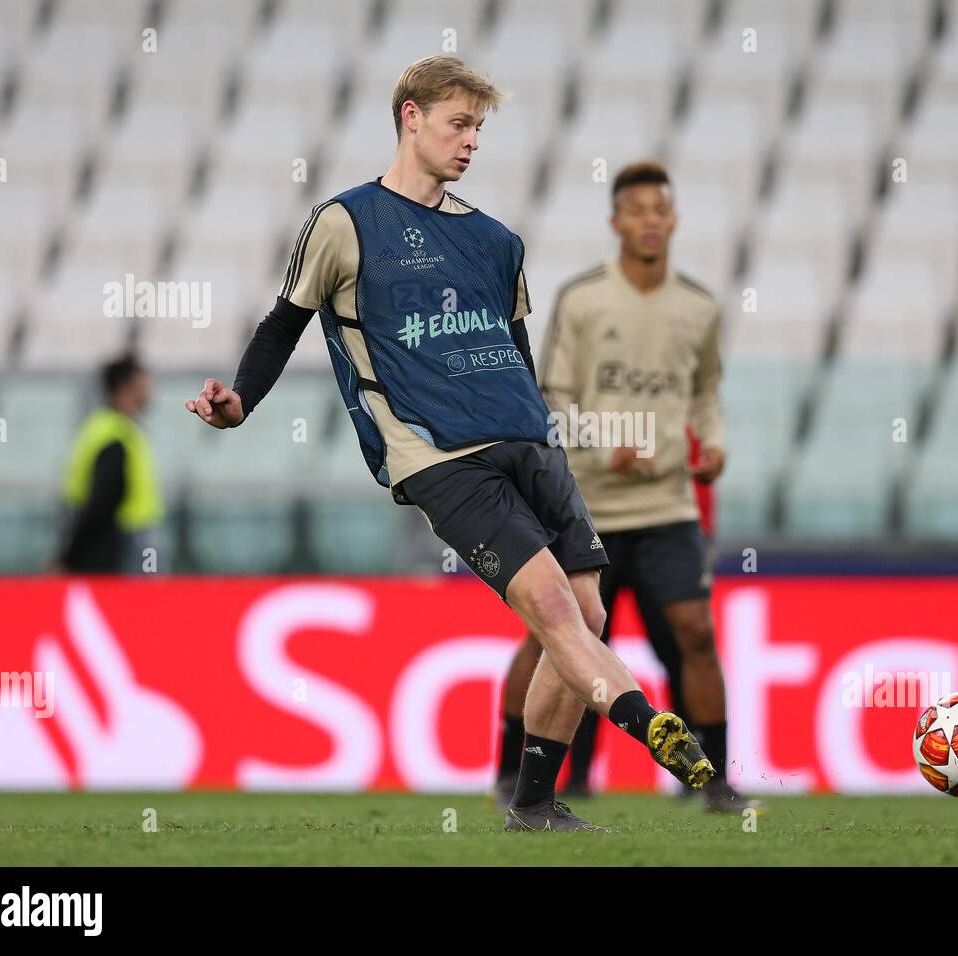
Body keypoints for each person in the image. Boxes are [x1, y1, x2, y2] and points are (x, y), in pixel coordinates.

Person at [184, 56, 714, 832]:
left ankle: (533, 804)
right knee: (554, 610)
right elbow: (281, 325)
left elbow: (516, 352)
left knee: (588, 616)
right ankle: (649, 725)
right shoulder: (345, 221)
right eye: (457, 124)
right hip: (440, 457)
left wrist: (548, 438)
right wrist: (239, 401)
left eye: (478, 128)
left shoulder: (497, 242)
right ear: (410, 116)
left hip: (529, 444)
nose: (471, 142)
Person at [492, 162, 761, 813]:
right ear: (616, 222)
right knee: (555, 634)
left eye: (659, 209)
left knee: (696, 632)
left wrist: (714, 441)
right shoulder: (584, 300)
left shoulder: (697, 307)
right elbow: (549, 397)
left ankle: (715, 781)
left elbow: (703, 395)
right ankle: (511, 772)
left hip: (667, 505)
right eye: (635, 209)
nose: (649, 220)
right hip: (584, 502)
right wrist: (602, 445)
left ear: (672, 220)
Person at [58, 353, 162, 573]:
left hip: (120, 540)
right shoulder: (114, 434)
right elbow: (102, 500)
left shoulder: (110, 428)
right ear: (125, 386)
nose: (149, 388)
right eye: (142, 381)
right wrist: (70, 557)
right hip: (122, 542)